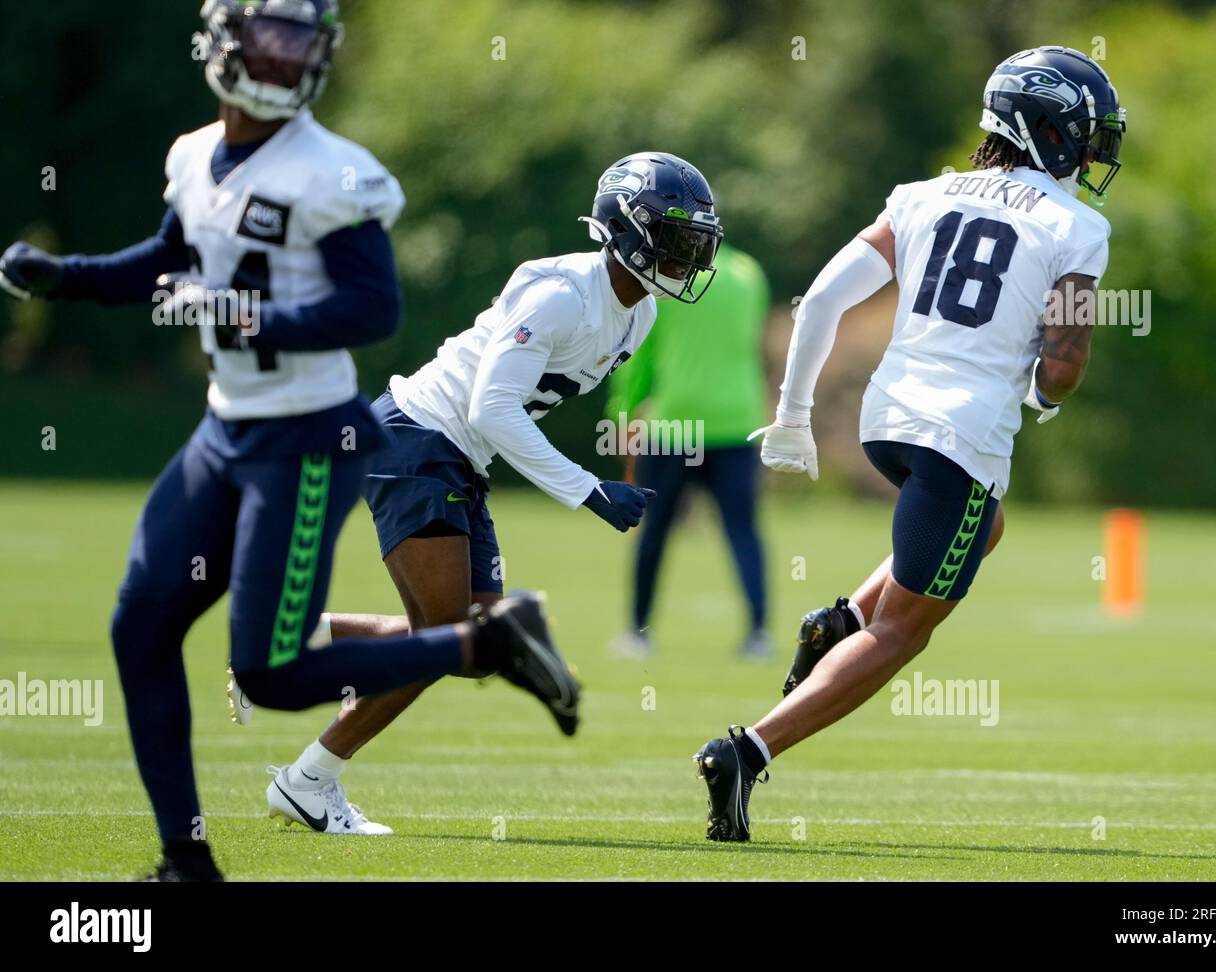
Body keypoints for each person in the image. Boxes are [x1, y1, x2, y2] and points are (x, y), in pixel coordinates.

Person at [0, 0, 578, 880]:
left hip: (311, 437)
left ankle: (485, 641)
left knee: (267, 671)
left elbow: (372, 308)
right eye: (268, 41)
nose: (282, 62)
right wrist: (65, 278)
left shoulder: (332, 172)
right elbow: (169, 257)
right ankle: (184, 859)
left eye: (300, 45)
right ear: (222, 44)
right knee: (140, 628)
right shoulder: (195, 154)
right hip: (226, 427)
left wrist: (241, 314)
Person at [692, 46, 1125, 840]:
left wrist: (791, 413)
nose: (1094, 153)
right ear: (1052, 133)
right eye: (1087, 135)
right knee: (903, 631)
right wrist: (1041, 391)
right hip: (959, 435)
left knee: (984, 526)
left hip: (886, 423)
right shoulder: (1076, 225)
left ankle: (836, 622)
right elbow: (1062, 366)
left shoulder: (921, 195)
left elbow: (822, 295)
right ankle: (748, 749)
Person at [259, 152, 724, 835]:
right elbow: (491, 409)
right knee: (448, 638)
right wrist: (589, 491)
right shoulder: (562, 294)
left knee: (477, 646)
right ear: (625, 229)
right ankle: (308, 778)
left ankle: (291, 639)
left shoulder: (639, 315)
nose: (688, 255)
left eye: (697, 241)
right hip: (417, 438)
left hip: (455, 459)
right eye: (676, 237)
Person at [604, 243, 772, 660]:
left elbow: (640, 352)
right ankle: (758, 636)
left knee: (654, 530)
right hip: (738, 420)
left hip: (675, 423)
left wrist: (622, 415)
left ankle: (638, 634)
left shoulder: (665, 275)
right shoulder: (749, 271)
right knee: (743, 531)